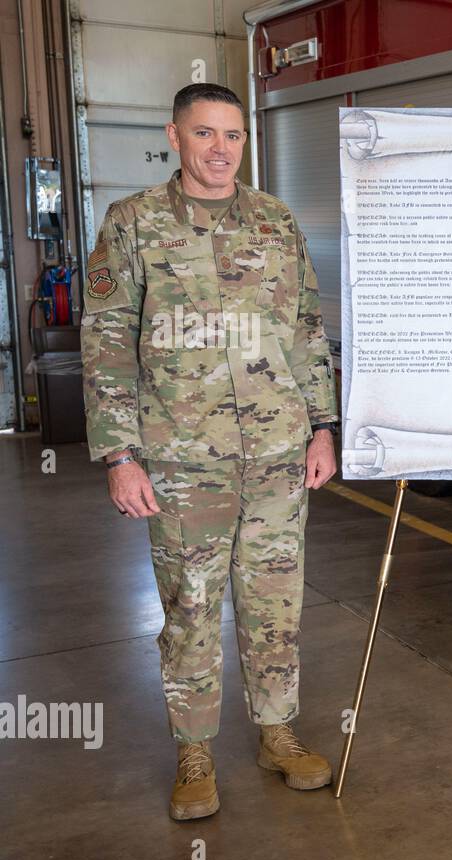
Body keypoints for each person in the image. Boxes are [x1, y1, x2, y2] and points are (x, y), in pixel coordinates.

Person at [80, 82, 340, 821]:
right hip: (181, 458)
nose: (221, 149)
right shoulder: (133, 225)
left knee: (274, 600)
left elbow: (303, 329)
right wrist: (119, 455)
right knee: (191, 605)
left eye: (232, 135)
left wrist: (323, 425)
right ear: (176, 136)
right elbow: (104, 344)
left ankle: (278, 732)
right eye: (205, 134)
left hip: (278, 449)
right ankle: (194, 750)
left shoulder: (275, 220)